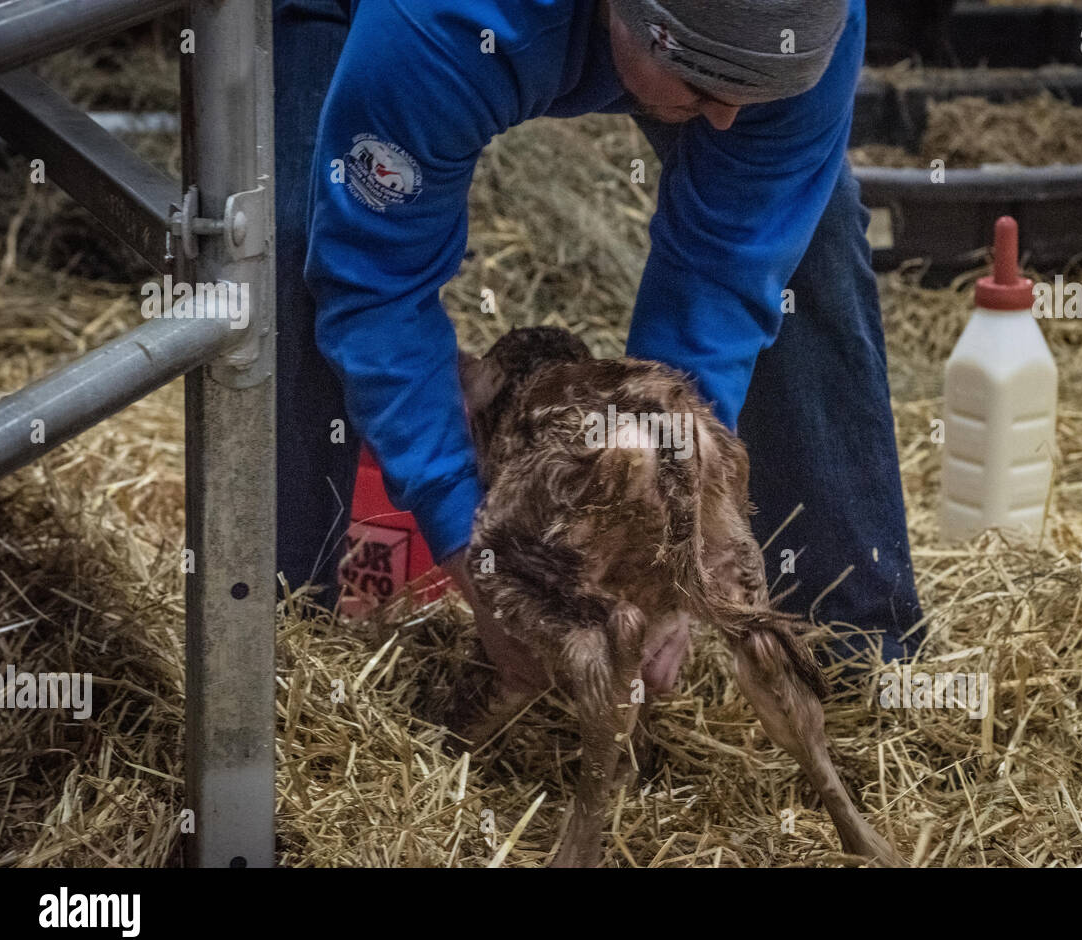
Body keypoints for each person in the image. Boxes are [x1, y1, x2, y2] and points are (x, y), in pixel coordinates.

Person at [275, 0, 924, 696]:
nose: (729, 118)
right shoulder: (444, 24)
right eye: (706, 84)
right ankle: (276, 655)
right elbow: (376, 282)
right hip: (369, 16)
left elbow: (727, 274)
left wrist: (668, 533)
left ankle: (854, 663)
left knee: (808, 237)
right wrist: (473, 556)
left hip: (666, 42)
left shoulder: (814, 24)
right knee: (293, 234)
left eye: (762, 86)